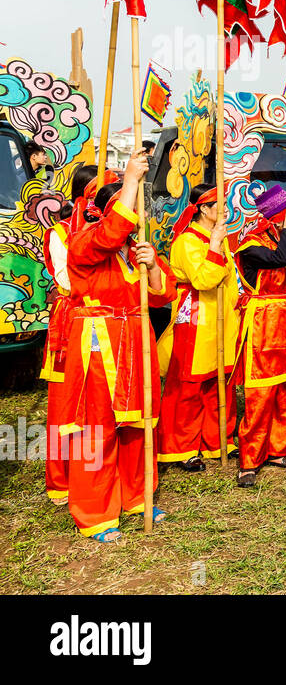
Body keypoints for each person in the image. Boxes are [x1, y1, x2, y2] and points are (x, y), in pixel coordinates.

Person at [62, 149, 176, 541]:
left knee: (137, 426)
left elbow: (161, 297)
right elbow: (110, 234)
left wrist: (155, 266)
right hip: (99, 345)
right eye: (127, 211)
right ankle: (95, 513)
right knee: (96, 430)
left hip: (135, 341)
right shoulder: (84, 242)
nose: (135, 221)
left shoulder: (136, 250)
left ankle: (138, 497)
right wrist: (129, 180)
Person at [231, 185, 286, 487]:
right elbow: (279, 259)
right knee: (260, 395)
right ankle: (249, 460)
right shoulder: (251, 245)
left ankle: (278, 450)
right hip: (263, 323)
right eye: (285, 217)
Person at [156, 184, 239, 472]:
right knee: (188, 388)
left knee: (218, 383)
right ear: (203, 208)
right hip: (195, 318)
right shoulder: (188, 241)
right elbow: (204, 279)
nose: (226, 209)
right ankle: (182, 448)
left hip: (221, 317)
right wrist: (215, 245)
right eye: (220, 204)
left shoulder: (217, 236)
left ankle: (218, 440)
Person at [40, 166, 99, 505]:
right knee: (67, 403)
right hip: (74, 318)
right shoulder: (60, 233)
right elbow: (66, 280)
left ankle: (94, 470)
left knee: (100, 402)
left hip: (106, 321)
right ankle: (61, 479)